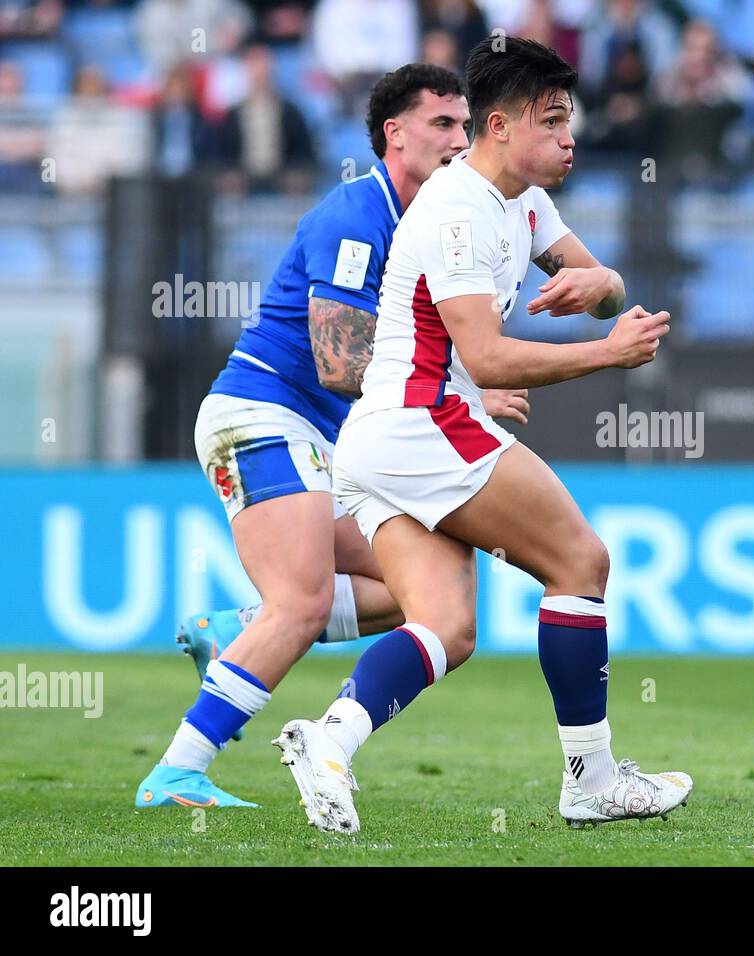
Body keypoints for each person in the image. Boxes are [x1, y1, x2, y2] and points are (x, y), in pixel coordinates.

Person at [274, 37, 691, 833]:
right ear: (498, 125)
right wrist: (609, 354)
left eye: (571, 120)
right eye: (554, 120)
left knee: (446, 627)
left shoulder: (526, 200)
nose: (570, 138)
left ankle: (329, 739)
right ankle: (591, 780)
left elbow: (598, 283)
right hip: (421, 421)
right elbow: (487, 355)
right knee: (581, 561)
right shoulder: (456, 210)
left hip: (383, 439)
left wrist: (605, 286)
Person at [135, 64, 529, 809]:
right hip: (262, 413)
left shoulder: (438, 226)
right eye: (442, 125)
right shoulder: (357, 216)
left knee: (422, 593)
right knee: (304, 603)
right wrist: (460, 390)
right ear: (396, 134)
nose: (459, 141)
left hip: (325, 438)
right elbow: (338, 360)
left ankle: (236, 629)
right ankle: (179, 770)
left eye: (464, 126)